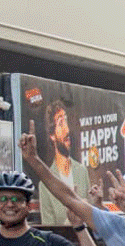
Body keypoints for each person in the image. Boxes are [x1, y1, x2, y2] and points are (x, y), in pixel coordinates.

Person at [39, 97, 91, 226]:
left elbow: (91, 216)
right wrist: (73, 216)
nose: (67, 130)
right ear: (52, 135)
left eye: (66, 122)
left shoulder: (81, 171)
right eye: (61, 124)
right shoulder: (45, 183)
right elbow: (49, 228)